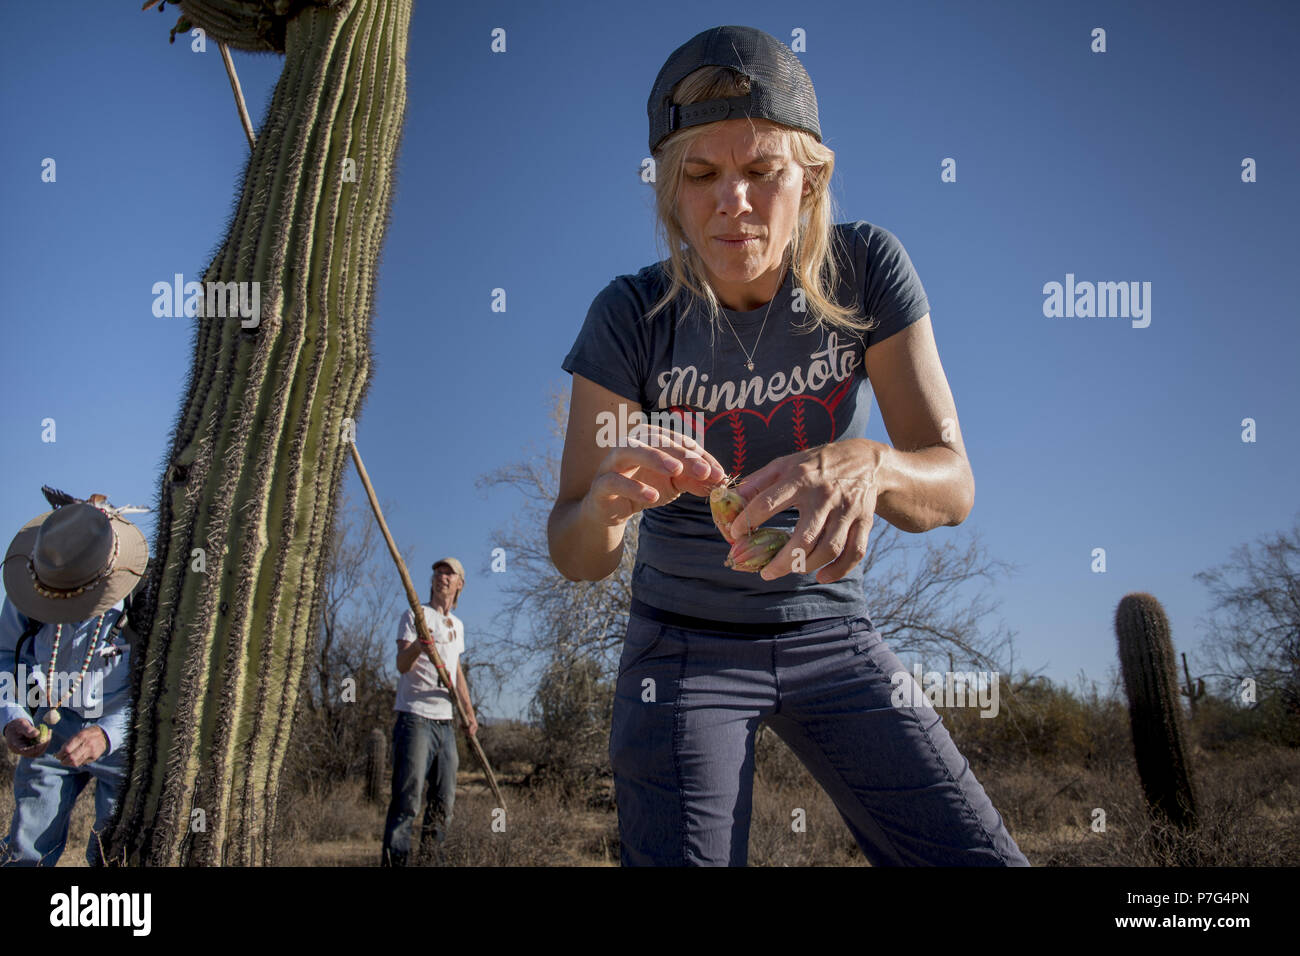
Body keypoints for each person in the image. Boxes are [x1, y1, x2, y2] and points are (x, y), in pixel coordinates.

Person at [549, 25, 1029, 866]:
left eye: (762, 171)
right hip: (680, 641)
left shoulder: (867, 268)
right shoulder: (628, 316)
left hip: (832, 632)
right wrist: (605, 507)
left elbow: (952, 489)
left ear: (810, 178)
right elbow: (575, 550)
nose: (733, 200)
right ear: (669, 193)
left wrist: (871, 462)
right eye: (701, 175)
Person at [0, 497, 148, 866]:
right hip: (50, 724)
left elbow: (165, 689)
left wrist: (109, 733)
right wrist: (13, 714)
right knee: (24, 854)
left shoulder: (147, 597)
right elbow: (7, 656)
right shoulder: (32, 582)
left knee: (114, 858)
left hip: (126, 740)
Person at [381, 557, 479, 866]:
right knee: (407, 801)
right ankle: (395, 862)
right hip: (415, 717)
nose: (442, 576)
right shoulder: (415, 615)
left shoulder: (457, 625)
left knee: (443, 803)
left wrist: (468, 710)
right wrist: (419, 647)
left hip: (445, 723)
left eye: (449, 573)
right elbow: (400, 664)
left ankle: (429, 861)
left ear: (460, 583)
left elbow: (456, 671)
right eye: (438, 571)